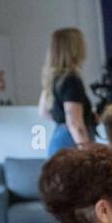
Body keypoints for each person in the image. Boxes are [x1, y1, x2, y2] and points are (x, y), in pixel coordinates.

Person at [39, 28, 95, 156]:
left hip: (59, 139)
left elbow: (43, 112)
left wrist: (62, 119)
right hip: (72, 144)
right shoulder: (71, 79)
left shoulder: (53, 77)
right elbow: (74, 123)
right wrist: (87, 150)